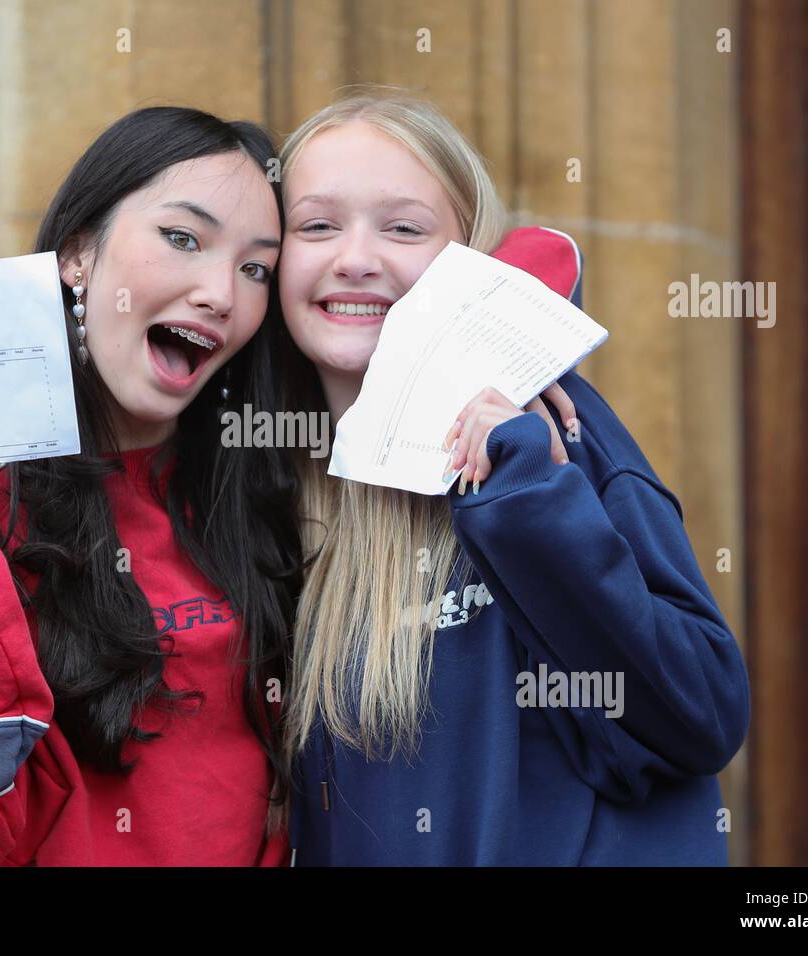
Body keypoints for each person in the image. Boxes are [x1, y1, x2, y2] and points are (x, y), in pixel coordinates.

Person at [275, 90, 751, 865]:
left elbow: (699, 714)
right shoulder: (262, 489)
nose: (355, 257)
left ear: (467, 264)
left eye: (403, 228)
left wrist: (526, 501)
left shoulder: (559, 432)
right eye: (318, 225)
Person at [0, 106, 302, 866]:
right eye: (183, 239)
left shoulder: (274, 482)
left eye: (255, 268)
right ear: (78, 254)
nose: (222, 293)